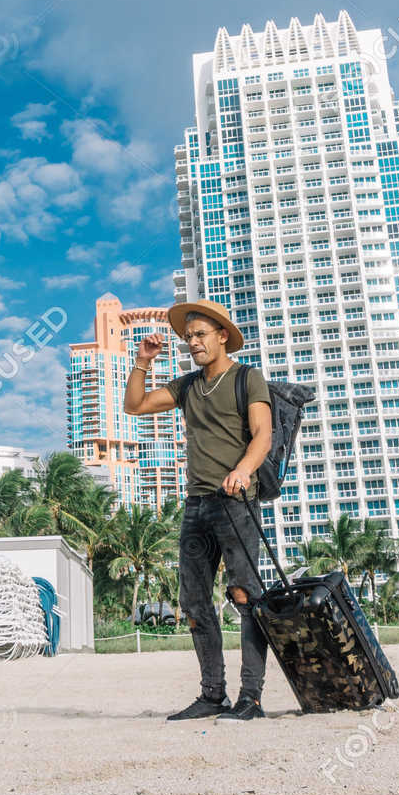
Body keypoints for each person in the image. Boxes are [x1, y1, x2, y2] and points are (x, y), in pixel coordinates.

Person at [124, 299, 272, 721]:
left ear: (222, 335)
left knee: (246, 595)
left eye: (200, 335)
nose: (193, 343)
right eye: (188, 337)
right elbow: (134, 406)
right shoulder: (188, 386)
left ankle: (252, 697)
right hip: (197, 505)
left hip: (237, 502)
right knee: (193, 602)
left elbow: (262, 435)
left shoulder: (247, 378)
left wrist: (243, 470)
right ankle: (212, 695)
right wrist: (142, 361)